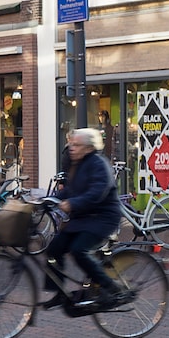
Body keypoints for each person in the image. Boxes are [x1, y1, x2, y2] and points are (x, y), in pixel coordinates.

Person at [40, 128, 130, 311]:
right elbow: (71, 191)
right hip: (83, 218)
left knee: (79, 250)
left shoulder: (98, 164)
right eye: (71, 144)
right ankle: (59, 292)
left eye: (77, 145)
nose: (71, 148)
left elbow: (97, 192)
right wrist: (47, 200)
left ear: (88, 148)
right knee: (54, 248)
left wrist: (72, 204)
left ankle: (112, 288)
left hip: (102, 218)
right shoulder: (77, 164)